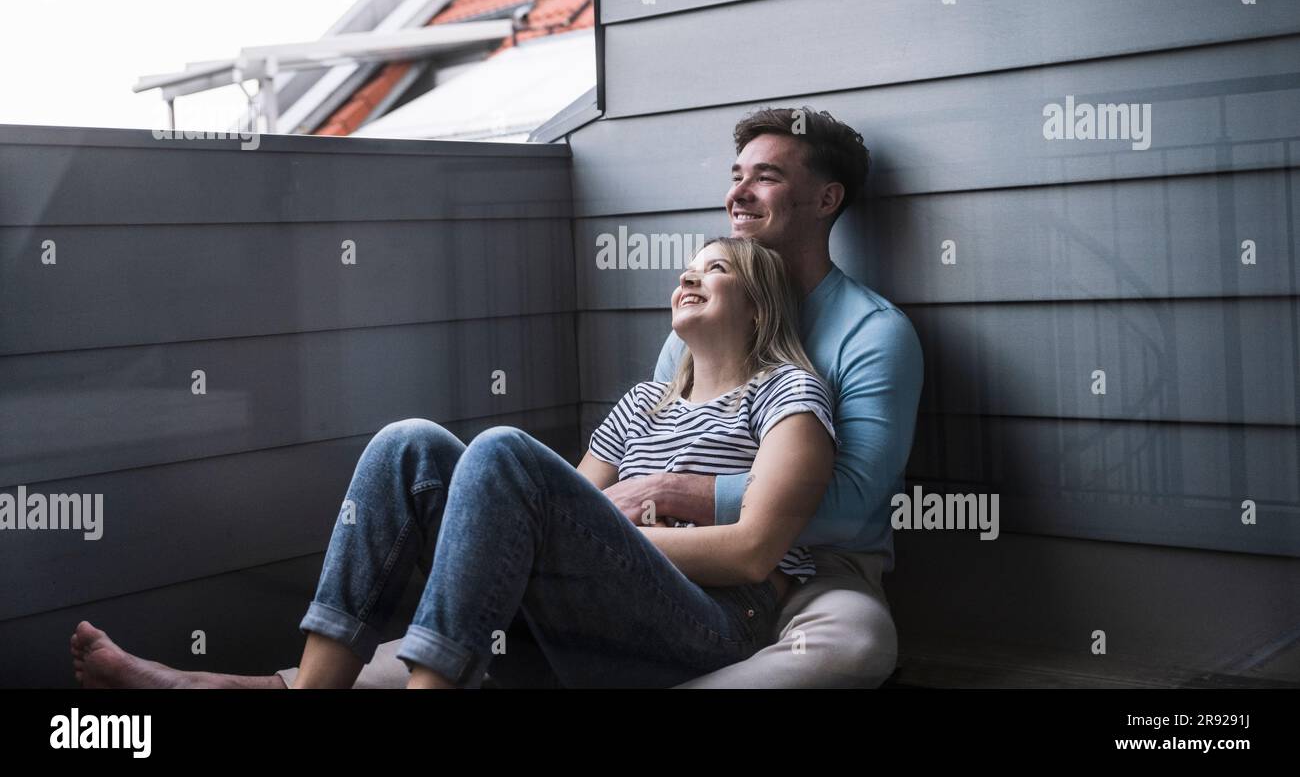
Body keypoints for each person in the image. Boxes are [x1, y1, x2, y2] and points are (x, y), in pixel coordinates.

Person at [71, 105, 924, 689]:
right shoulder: (662, 380)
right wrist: (586, 527)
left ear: (824, 198)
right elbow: (582, 497)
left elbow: (837, 510)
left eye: (765, 178)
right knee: (411, 442)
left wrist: (651, 507)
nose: (736, 196)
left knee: (509, 457)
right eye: (735, 176)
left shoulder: (844, 351)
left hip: (763, 585)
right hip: (636, 565)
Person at [71, 236, 839, 688]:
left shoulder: (787, 393)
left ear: (761, 307)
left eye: (716, 271)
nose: (688, 277)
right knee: (409, 442)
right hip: (606, 604)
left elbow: (750, 553)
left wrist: (613, 526)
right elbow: (562, 517)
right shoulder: (642, 403)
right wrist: (606, 516)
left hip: (713, 620)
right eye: (686, 268)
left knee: (504, 450)